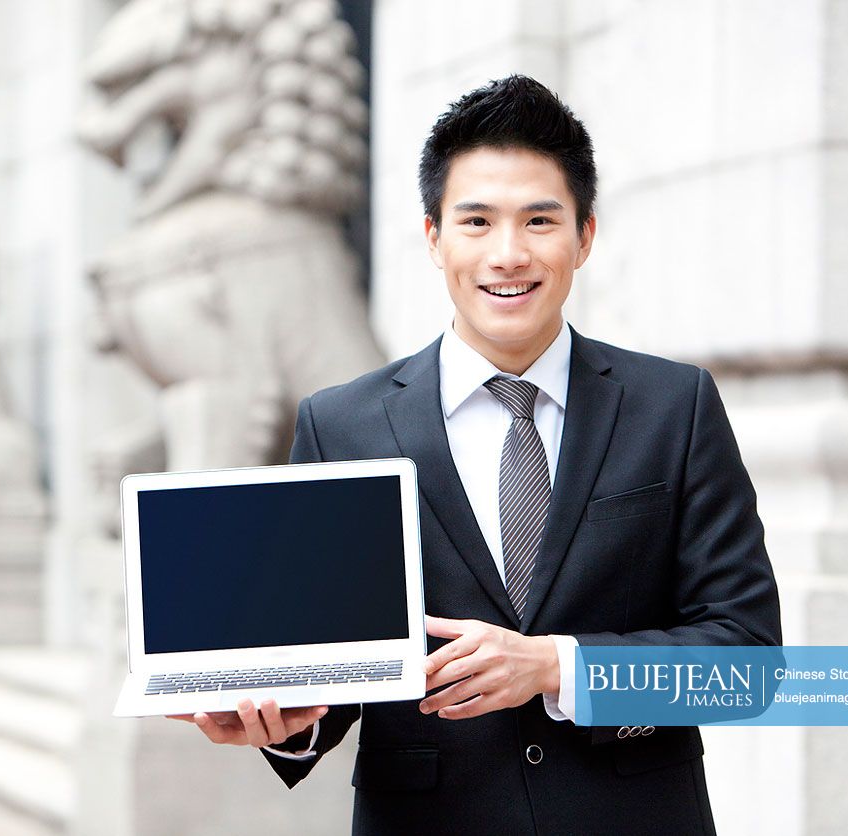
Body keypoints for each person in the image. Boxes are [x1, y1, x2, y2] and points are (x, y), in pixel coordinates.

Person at [171, 74, 782, 835]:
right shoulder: (341, 426)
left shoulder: (673, 407)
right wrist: (287, 725)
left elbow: (747, 664)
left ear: (584, 236)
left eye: (538, 220)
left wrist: (557, 666)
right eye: (476, 221)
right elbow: (328, 668)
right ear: (432, 238)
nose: (507, 254)